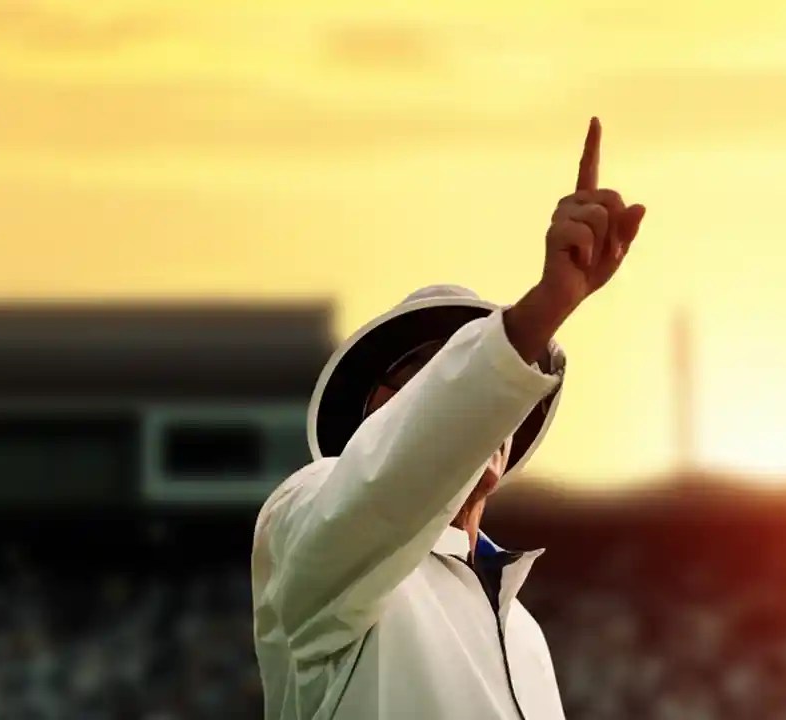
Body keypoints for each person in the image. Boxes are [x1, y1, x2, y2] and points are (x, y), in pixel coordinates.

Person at [250, 117, 647, 720]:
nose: (465, 402)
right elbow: (385, 485)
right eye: (421, 377)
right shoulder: (305, 522)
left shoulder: (527, 636)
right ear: (375, 418)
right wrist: (541, 312)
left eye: (460, 368)